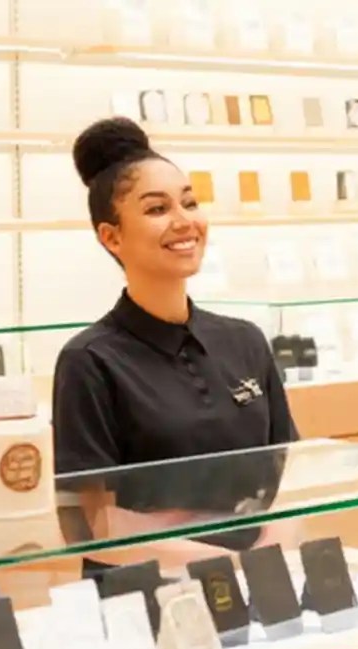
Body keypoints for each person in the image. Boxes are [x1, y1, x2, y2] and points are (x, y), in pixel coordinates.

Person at [52, 116, 299, 561]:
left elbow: (287, 473)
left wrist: (265, 555)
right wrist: (224, 563)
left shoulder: (245, 341)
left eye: (190, 202)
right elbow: (89, 526)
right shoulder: (89, 361)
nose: (184, 221)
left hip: (257, 585)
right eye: (156, 209)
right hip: (150, 601)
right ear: (111, 237)